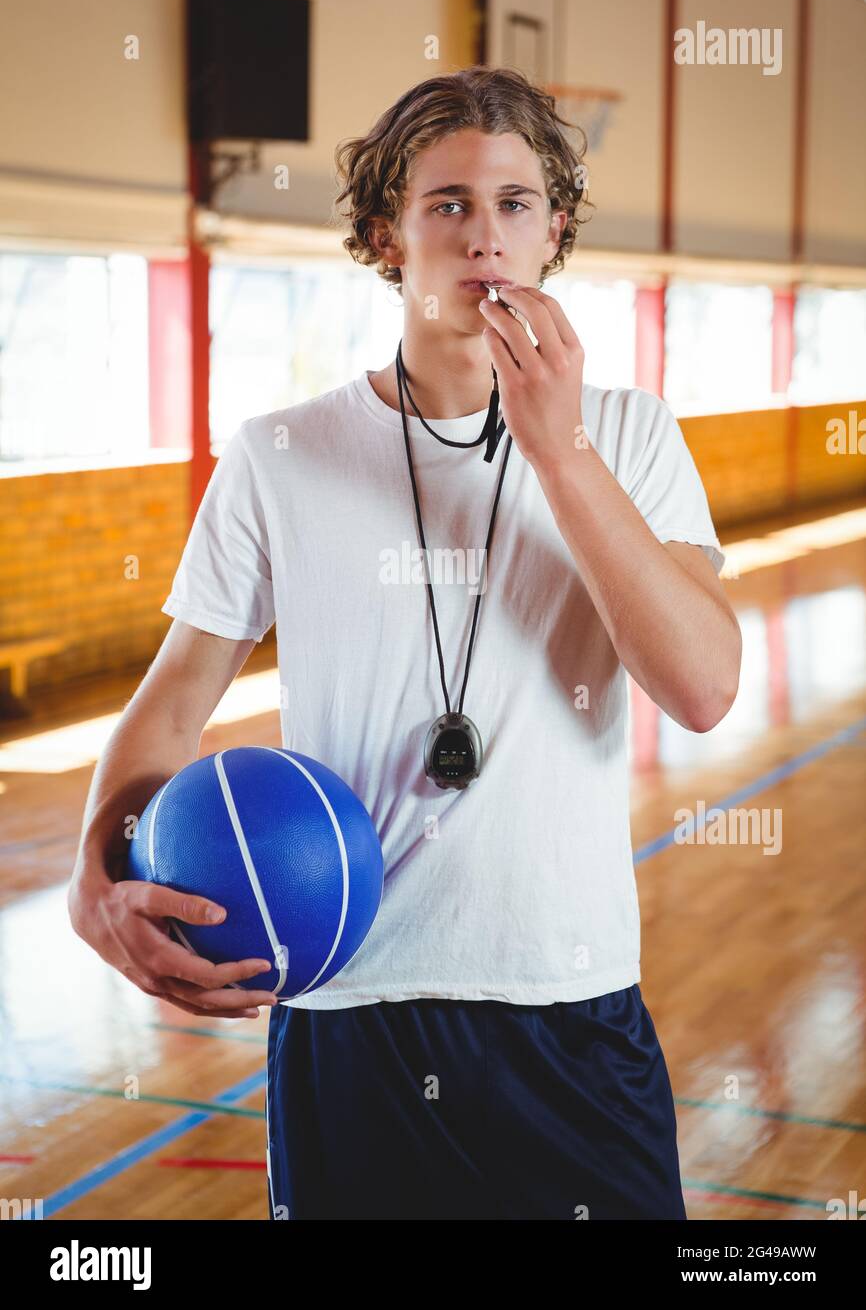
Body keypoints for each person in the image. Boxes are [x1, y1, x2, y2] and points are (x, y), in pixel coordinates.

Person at [68, 65, 741, 1221]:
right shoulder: (280, 453)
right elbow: (172, 706)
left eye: (516, 203)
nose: (484, 236)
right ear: (386, 233)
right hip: (346, 1012)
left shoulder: (625, 435)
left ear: (555, 229)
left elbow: (700, 686)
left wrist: (557, 451)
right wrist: (97, 878)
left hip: (565, 1004)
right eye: (448, 205)